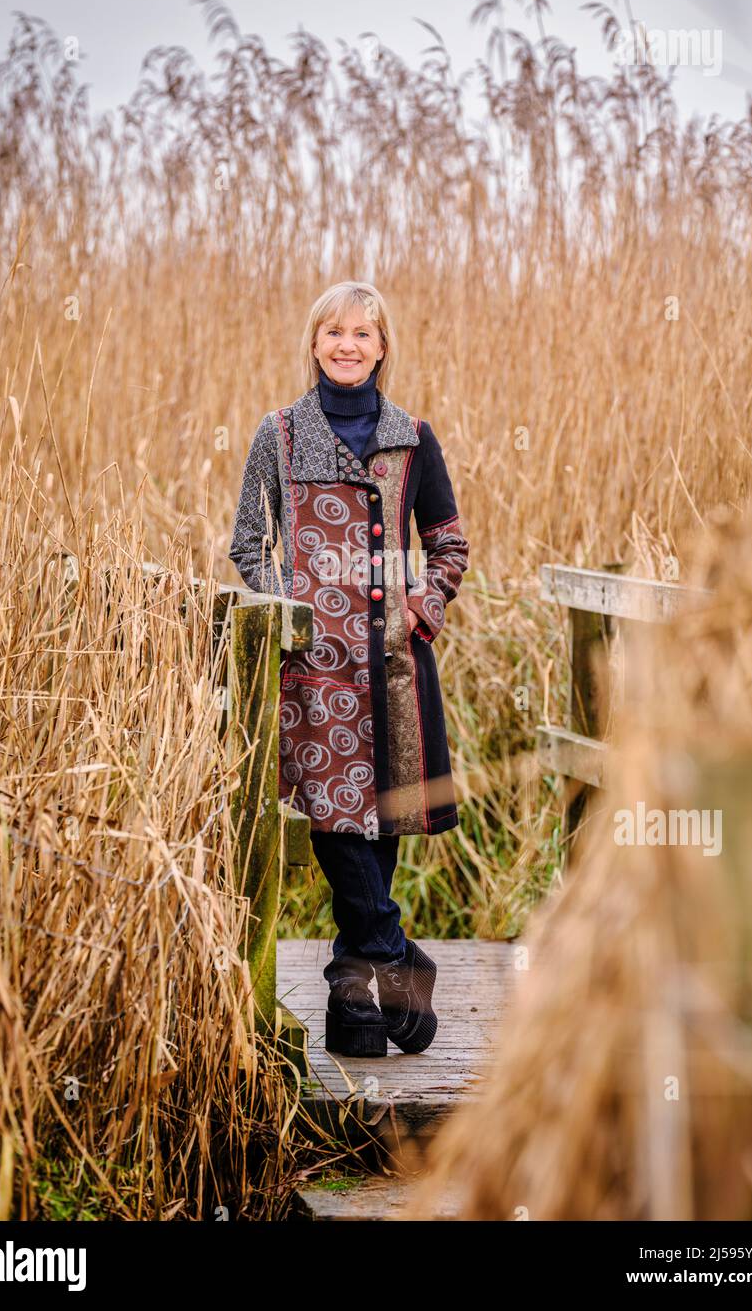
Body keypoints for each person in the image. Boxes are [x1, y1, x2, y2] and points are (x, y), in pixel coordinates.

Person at [228, 281, 469, 1057]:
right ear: (314, 342)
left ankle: (354, 997)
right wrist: (288, 612)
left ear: (383, 346)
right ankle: (395, 963)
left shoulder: (413, 436)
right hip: (313, 672)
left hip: (392, 669)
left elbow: (450, 545)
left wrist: (417, 611)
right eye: (334, 331)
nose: (347, 345)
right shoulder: (281, 434)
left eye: (363, 333)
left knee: (382, 819)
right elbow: (247, 545)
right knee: (336, 819)